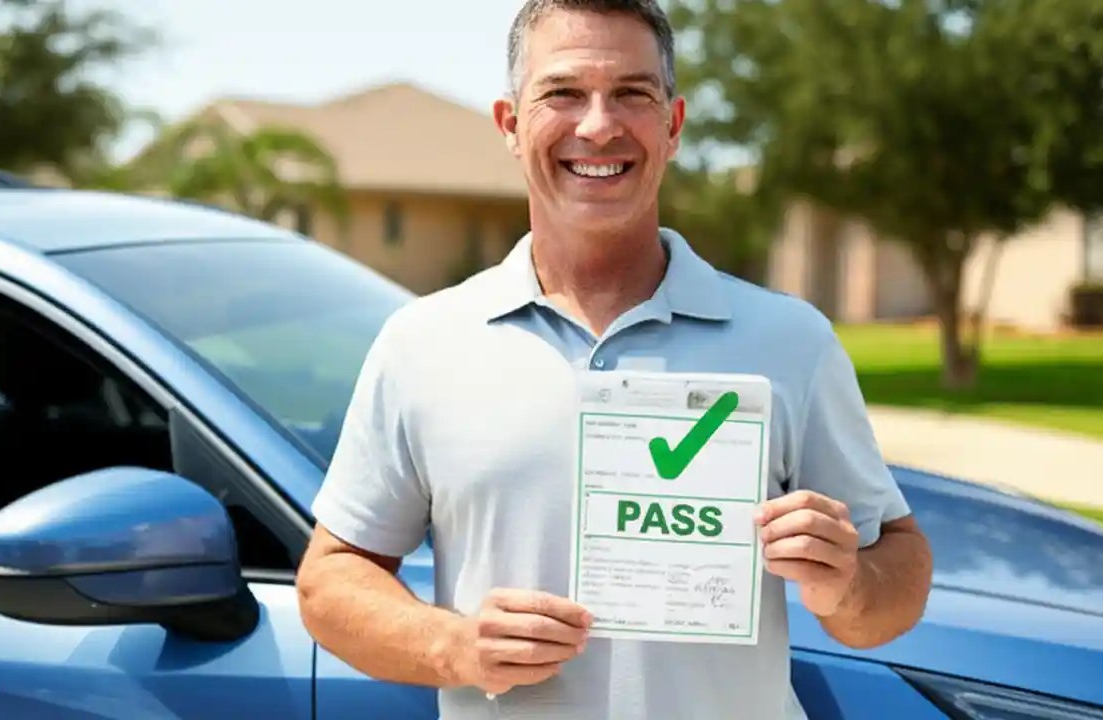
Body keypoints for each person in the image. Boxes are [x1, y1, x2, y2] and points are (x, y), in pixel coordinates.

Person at [295, 0, 934, 717]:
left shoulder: (792, 341)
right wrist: (457, 646)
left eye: (632, 93)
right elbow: (331, 581)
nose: (598, 125)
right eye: (563, 93)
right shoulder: (421, 344)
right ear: (510, 124)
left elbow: (899, 572)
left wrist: (845, 582)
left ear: (673, 125)